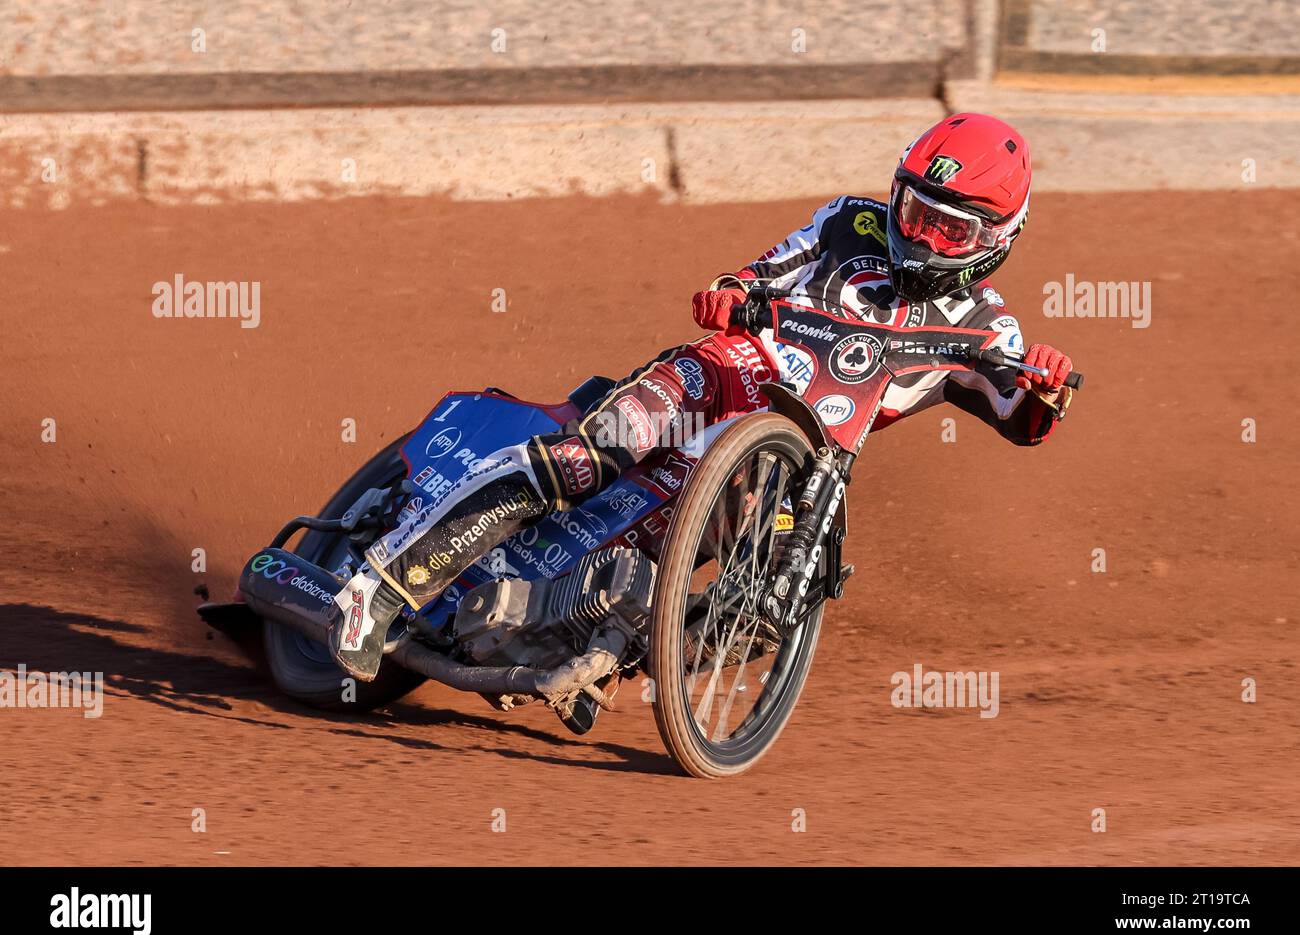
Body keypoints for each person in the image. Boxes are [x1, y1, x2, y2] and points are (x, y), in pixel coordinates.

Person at [334, 112, 1076, 666]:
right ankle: (381, 586)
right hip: (721, 376)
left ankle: (612, 639)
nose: (918, 235)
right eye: (913, 210)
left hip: (789, 464)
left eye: (946, 229)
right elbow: (760, 272)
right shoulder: (847, 221)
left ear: (995, 239)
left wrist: (1042, 388)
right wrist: (728, 291)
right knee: (587, 459)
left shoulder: (989, 327)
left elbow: (1018, 410)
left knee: (783, 586)